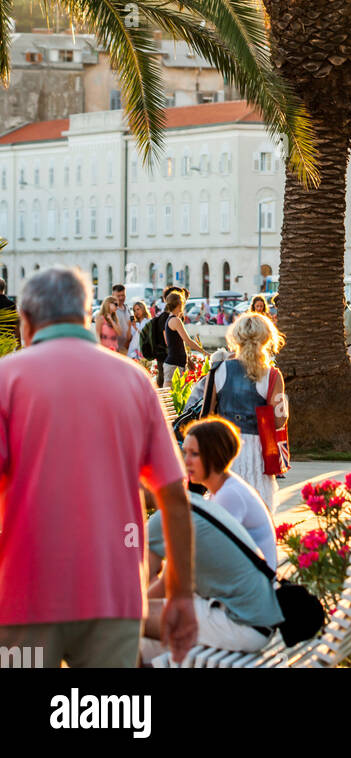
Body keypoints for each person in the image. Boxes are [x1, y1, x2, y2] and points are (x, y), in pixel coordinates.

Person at [0, 266, 195, 667]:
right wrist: (180, 595)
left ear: (27, 320)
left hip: (26, 594)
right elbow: (174, 497)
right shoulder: (134, 381)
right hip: (115, 596)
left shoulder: (7, 379)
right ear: (87, 312)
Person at [142, 487, 283, 664]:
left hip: (243, 623)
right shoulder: (192, 503)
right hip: (256, 619)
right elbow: (167, 584)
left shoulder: (166, 516)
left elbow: (137, 582)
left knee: (127, 619)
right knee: (143, 643)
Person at [211, 313, 288, 510]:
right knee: (258, 506)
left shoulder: (219, 370)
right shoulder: (271, 376)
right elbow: (279, 420)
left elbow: (208, 414)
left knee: (225, 507)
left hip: (225, 447)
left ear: (235, 338)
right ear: (267, 339)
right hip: (257, 450)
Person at [182, 417, 276, 566]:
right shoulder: (220, 490)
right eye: (185, 452)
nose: (186, 461)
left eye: (194, 454)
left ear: (214, 456)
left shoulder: (230, 494)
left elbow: (211, 552)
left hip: (251, 586)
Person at [163, 287, 205, 387]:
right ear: (180, 304)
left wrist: (188, 359)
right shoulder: (176, 320)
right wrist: (204, 352)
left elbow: (178, 343)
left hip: (177, 363)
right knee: (168, 396)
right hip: (174, 364)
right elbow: (188, 341)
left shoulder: (172, 319)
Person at [112, 282, 132, 355]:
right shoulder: (111, 310)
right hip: (115, 349)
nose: (121, 298)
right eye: (118, 296)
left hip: (127, 348)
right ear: (113, 296)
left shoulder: (127, 308)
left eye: (123, 295)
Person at [0, 277, 19, 349]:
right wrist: (19, 345)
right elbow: (16, 325)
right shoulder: (11, 304)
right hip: (8, 343)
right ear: (4, 289)